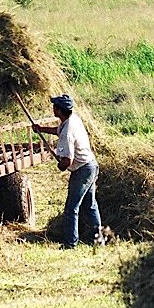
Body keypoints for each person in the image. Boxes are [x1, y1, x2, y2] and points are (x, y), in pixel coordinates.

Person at [33, 93, 101, 248]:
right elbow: (58, 130)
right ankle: (99, 239)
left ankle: (70, 243)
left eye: (55, 106)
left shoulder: (67, 132)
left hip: (82, 170)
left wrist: (60, 165)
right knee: (90, 205)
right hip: (90, 165)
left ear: (59, 110)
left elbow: (67, 161)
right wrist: (41, 129)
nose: (53, 108)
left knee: (71, 208)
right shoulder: (72, 120)